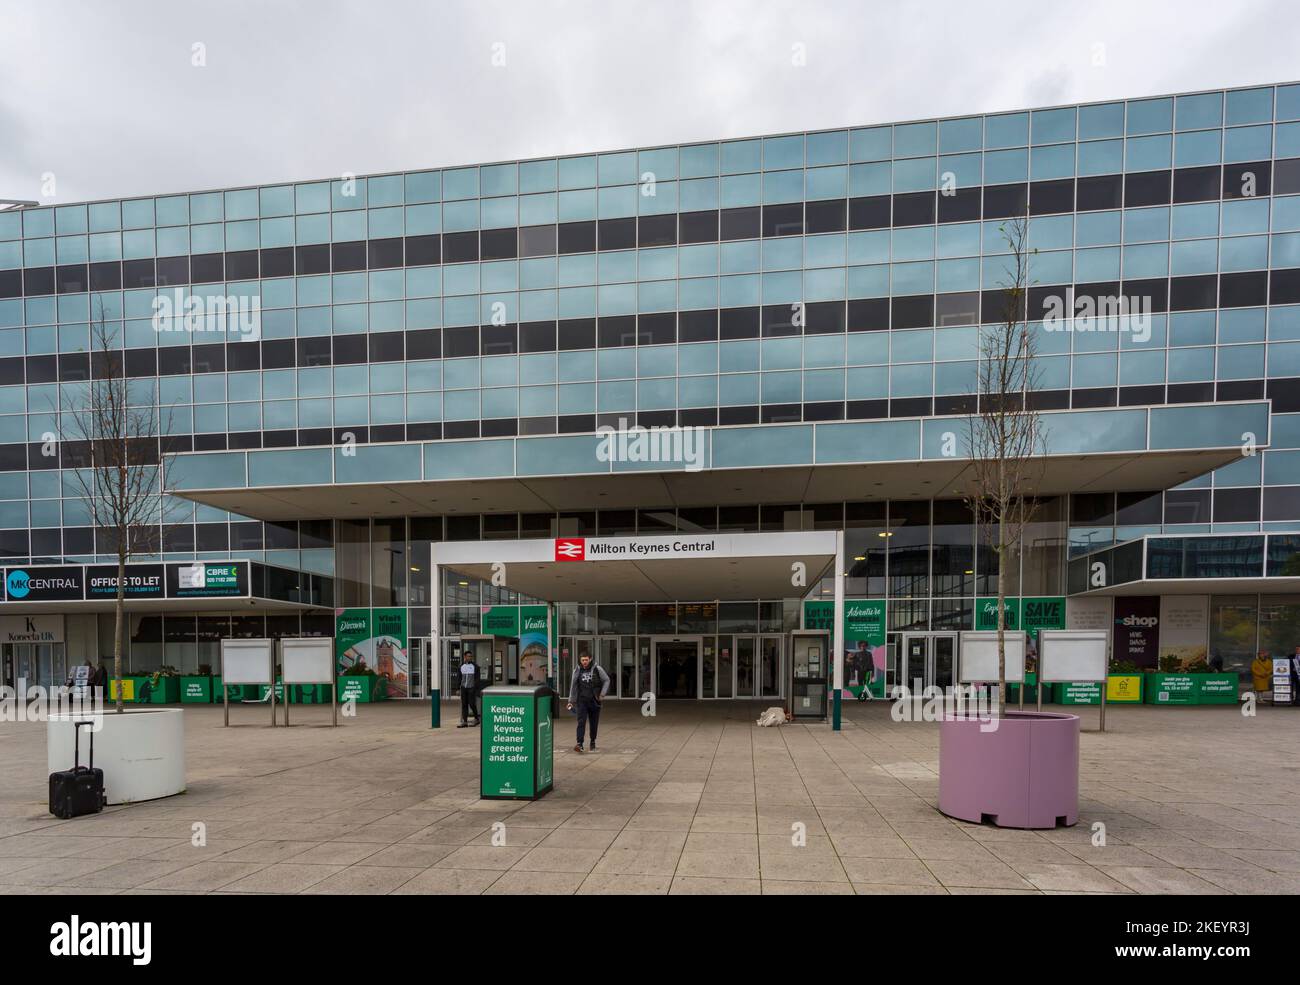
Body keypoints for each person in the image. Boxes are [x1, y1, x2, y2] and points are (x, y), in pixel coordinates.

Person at [566, 651, 609, 753]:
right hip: (582, 701)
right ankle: (579, 744)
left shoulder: (597, 669)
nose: (584, 662)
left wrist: (602, 694)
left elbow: (607, 680)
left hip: (594, 701)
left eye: (586, 660)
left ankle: (592, 741)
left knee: (594, 723)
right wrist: (570, 701)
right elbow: (573, 686)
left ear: (590, 659)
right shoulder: (577, 670)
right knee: (581, 722)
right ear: (580, 660)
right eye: (582, 660)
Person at [457, 653, 480, 727]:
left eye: (471, 656)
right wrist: (458, 688)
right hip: (463, 688)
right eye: (468, 656)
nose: (470, 657)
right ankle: (465, 721)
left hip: (471, 688)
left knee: (472, 704)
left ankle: (476, 718)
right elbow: (459, 678)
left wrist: (475, 687)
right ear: (465, 657)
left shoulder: (475, 666)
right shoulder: (461, 666)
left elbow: (477, 678)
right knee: (464, 704)